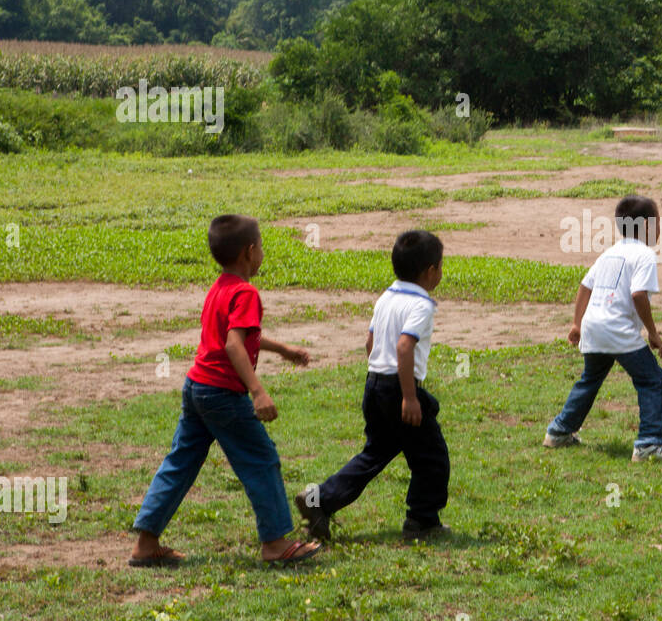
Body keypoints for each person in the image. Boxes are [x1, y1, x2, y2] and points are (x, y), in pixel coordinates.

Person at [130, 214, 320, 567]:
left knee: (180, 462)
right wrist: (258, 391)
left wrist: (284, 350)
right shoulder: (246, 293)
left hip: (197, 386)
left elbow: (236, 338)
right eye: (261, 246)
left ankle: (145, 543)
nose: (263, 252)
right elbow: (234, 345)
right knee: (262, 460)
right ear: (249, 252)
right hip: (221, 393)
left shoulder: (220, 288)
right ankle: (276, 544)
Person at [295, 230, 452, 542]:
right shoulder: (421, 305)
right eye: (441, 266)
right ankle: (422, 521)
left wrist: (380, 378)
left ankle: (319, 500)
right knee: (432, 457)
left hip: (375, 384)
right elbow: (405, 347)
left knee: (375, 453)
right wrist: (408, 396)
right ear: (430, 271)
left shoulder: (386, 297)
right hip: (400, 389)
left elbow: (370, 341)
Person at [544, 195, 662, 462]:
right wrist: (653, 333)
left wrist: (576, 323)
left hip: (594, 326)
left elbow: (585, 285)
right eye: (657, 223)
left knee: (590, 380)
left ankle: (558, 432)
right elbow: (639, 295)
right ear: (645, 225)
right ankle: (649, 444)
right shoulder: (644, 255)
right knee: (652, 380)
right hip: (617, 330)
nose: (660, 229)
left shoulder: (610, 252)